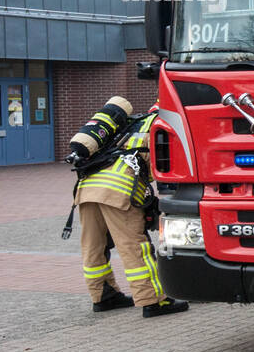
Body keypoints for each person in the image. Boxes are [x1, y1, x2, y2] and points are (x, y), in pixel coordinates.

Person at [68, 98, 189, 319]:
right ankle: (154, 300)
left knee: (94, 246)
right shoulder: (163, 125)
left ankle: (103, 296)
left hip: (87, 188)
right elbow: (166, 167)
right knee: (134, 247)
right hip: (118, 190)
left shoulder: (126, 123)